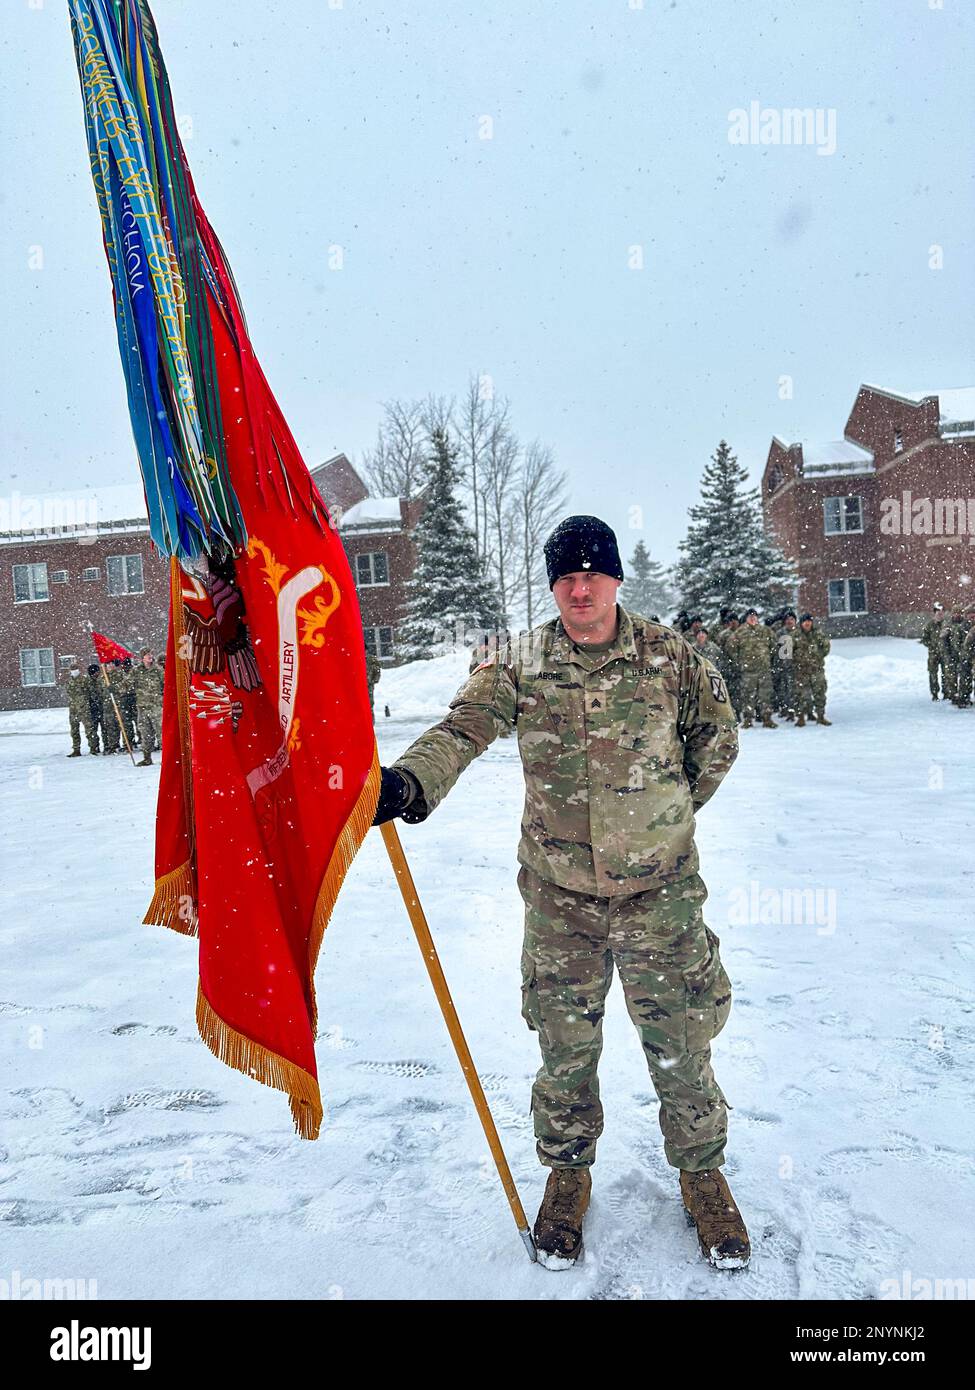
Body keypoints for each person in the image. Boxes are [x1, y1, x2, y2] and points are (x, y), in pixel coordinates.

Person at [372, 515, 749, 1271]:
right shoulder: (519, 663)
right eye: (566, 576)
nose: (580, 588)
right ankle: (568, 1173)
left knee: (681, 1042)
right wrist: (410, 780)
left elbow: (717, 739)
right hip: (559, 898)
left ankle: (701, 1174)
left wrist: (663, 818)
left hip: (660, 895)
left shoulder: (670, 658)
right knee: (564, 1046)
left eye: (593, 574)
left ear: (614, 580)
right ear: (552, 585)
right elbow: (464, 727)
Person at [728, 609, 776, 729]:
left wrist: (768, 657)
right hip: (748, 671)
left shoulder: (766, 631)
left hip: (764, 669)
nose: (753, 619)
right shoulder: (740, 632)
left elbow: (774, 646)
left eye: (755, 616)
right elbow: (731, 648)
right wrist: (739, 662)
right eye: (750, 617)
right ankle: (748, 719)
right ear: (746, 619)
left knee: (765, 695)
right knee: (747, 695)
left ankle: (767, 718)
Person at [793, 615, 832, 726]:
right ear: (801, 623)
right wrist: (797, 659)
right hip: (801, 671)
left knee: (820, 693)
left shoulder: (818, 634)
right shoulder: (794, 635)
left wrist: (818, 656)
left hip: (816, 669)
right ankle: (801, 717)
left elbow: (826, 647)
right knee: (801, 695)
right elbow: (786, 653)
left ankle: (820, 716)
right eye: (805, 621)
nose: (807, 623)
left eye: (809, 621)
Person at [133, 649, 164, 766]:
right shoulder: (136, 671)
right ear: (142, 657)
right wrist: (114, 688)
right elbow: (127, 683)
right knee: (145, 734)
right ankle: (147, 758)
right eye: (147, 655)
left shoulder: (158, 670)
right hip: (142, 707)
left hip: (157, 707)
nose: (150, 656)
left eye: (151, 654)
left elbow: (166, 685)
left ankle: (165, 758)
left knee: (161, 733)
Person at [64, 664, 99, 756]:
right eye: (72, 669)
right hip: (73, 709)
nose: (74, 671)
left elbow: (91, 692)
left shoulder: (85, 680)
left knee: (89, 730)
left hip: (84, 708)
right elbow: (69, 693)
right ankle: (76, 749)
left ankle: (93, 748)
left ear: (79, 670)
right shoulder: (69, 681)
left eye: (75, 669)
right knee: (74, 730)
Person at [920, 602, 947, 701]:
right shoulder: (930, 625)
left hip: (945, 654)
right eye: (938, 612)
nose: (940, 614)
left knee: (947, 674)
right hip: (933, 655)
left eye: (942, 612)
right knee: (933, 674)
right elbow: (924, 639)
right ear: (934, 613)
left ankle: (946, 693)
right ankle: (934, 694)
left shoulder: (946, 624)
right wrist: (932, 646)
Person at [774, 611, 798, 721]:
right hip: (782, 667)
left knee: (794, 690)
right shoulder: (779, 634)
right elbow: (774, 650)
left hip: (796, 667)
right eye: (787, 619)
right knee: (782, 690)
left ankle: (794, 710)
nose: (789, 621)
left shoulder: (799, 633)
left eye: (792, 619)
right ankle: (784, 709)